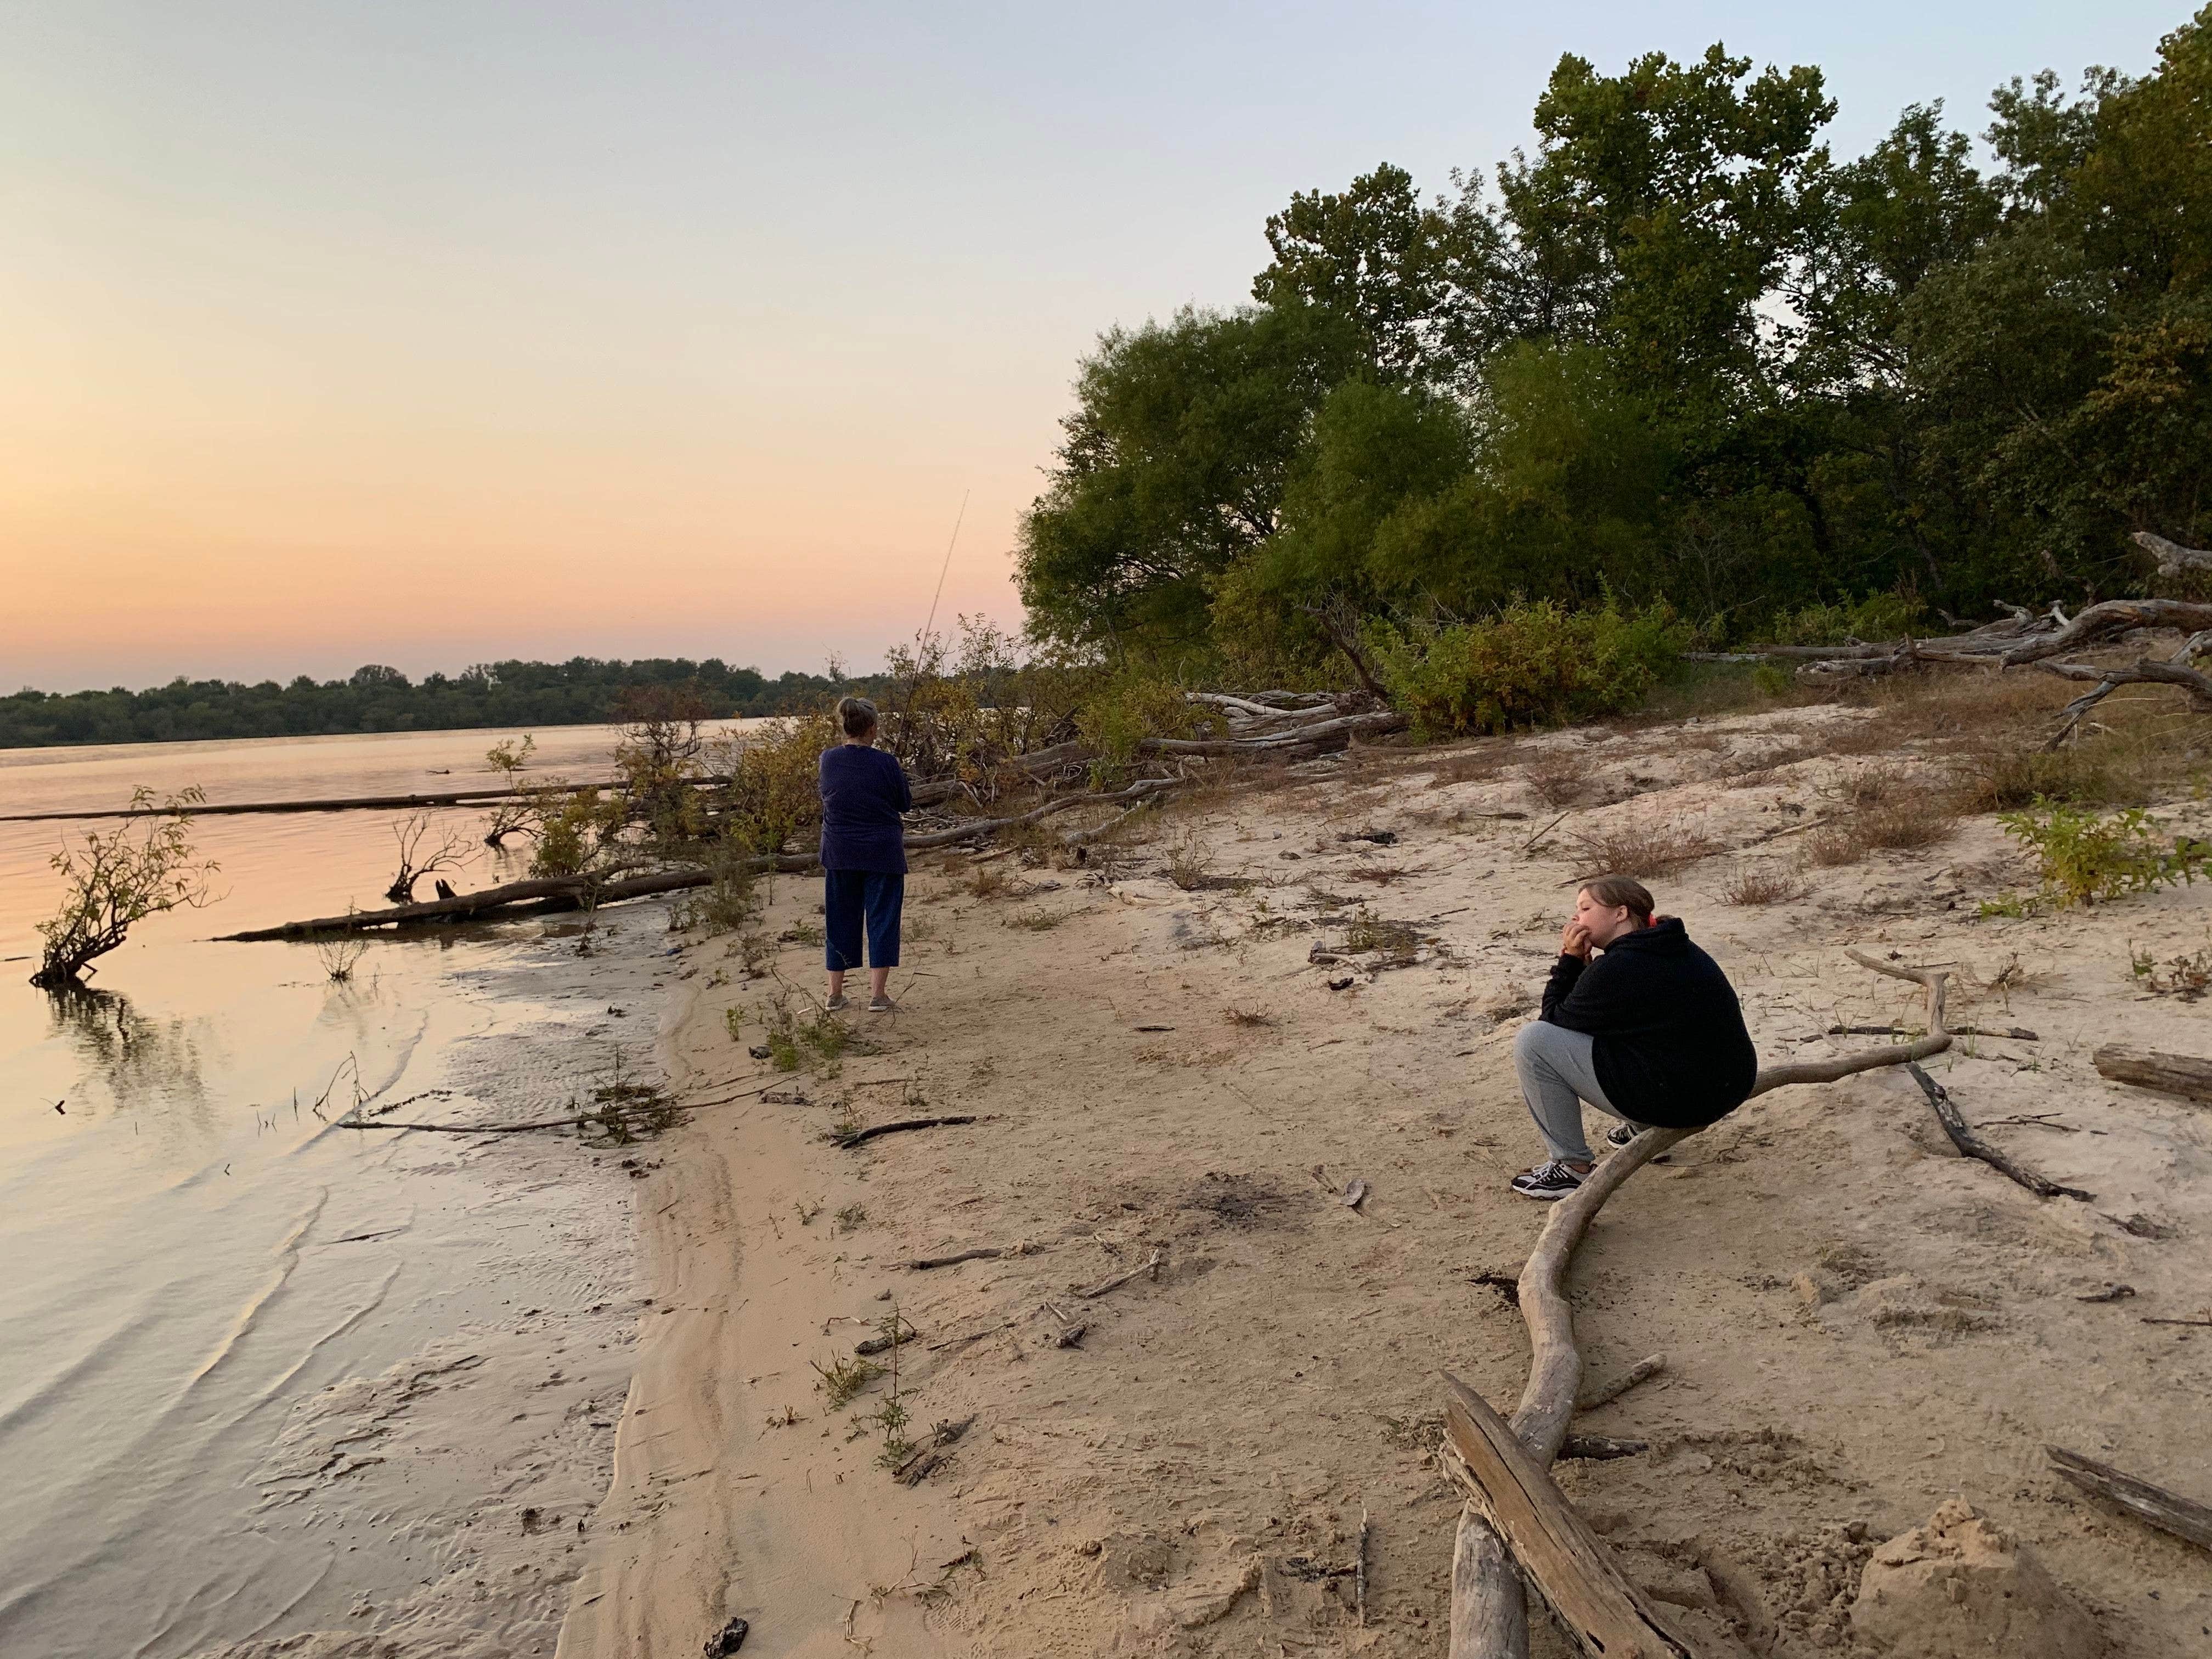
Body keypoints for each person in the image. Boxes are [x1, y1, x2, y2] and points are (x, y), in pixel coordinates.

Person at [1507, 874, 1757, 1200]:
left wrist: (1569, 961)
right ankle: (1643, 1127)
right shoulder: (1673, 944)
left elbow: (1553, 1020)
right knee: (1630, 1036)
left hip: (1684, 1101)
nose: (1576, 918)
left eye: (1585, 908)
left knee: (1533, 1042)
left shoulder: (1622, 965)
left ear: (1620, 913)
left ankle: (1571, 1169)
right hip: (1728, 1088)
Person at [817, 697, 910, 1013]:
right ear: (872, 729)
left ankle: (834, 994)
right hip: (882, 851)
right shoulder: (886, 762)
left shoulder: (827, 759)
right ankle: (878, 995)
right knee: (883, 919)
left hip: (840, 851)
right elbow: (904, 802)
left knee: (840, 919)